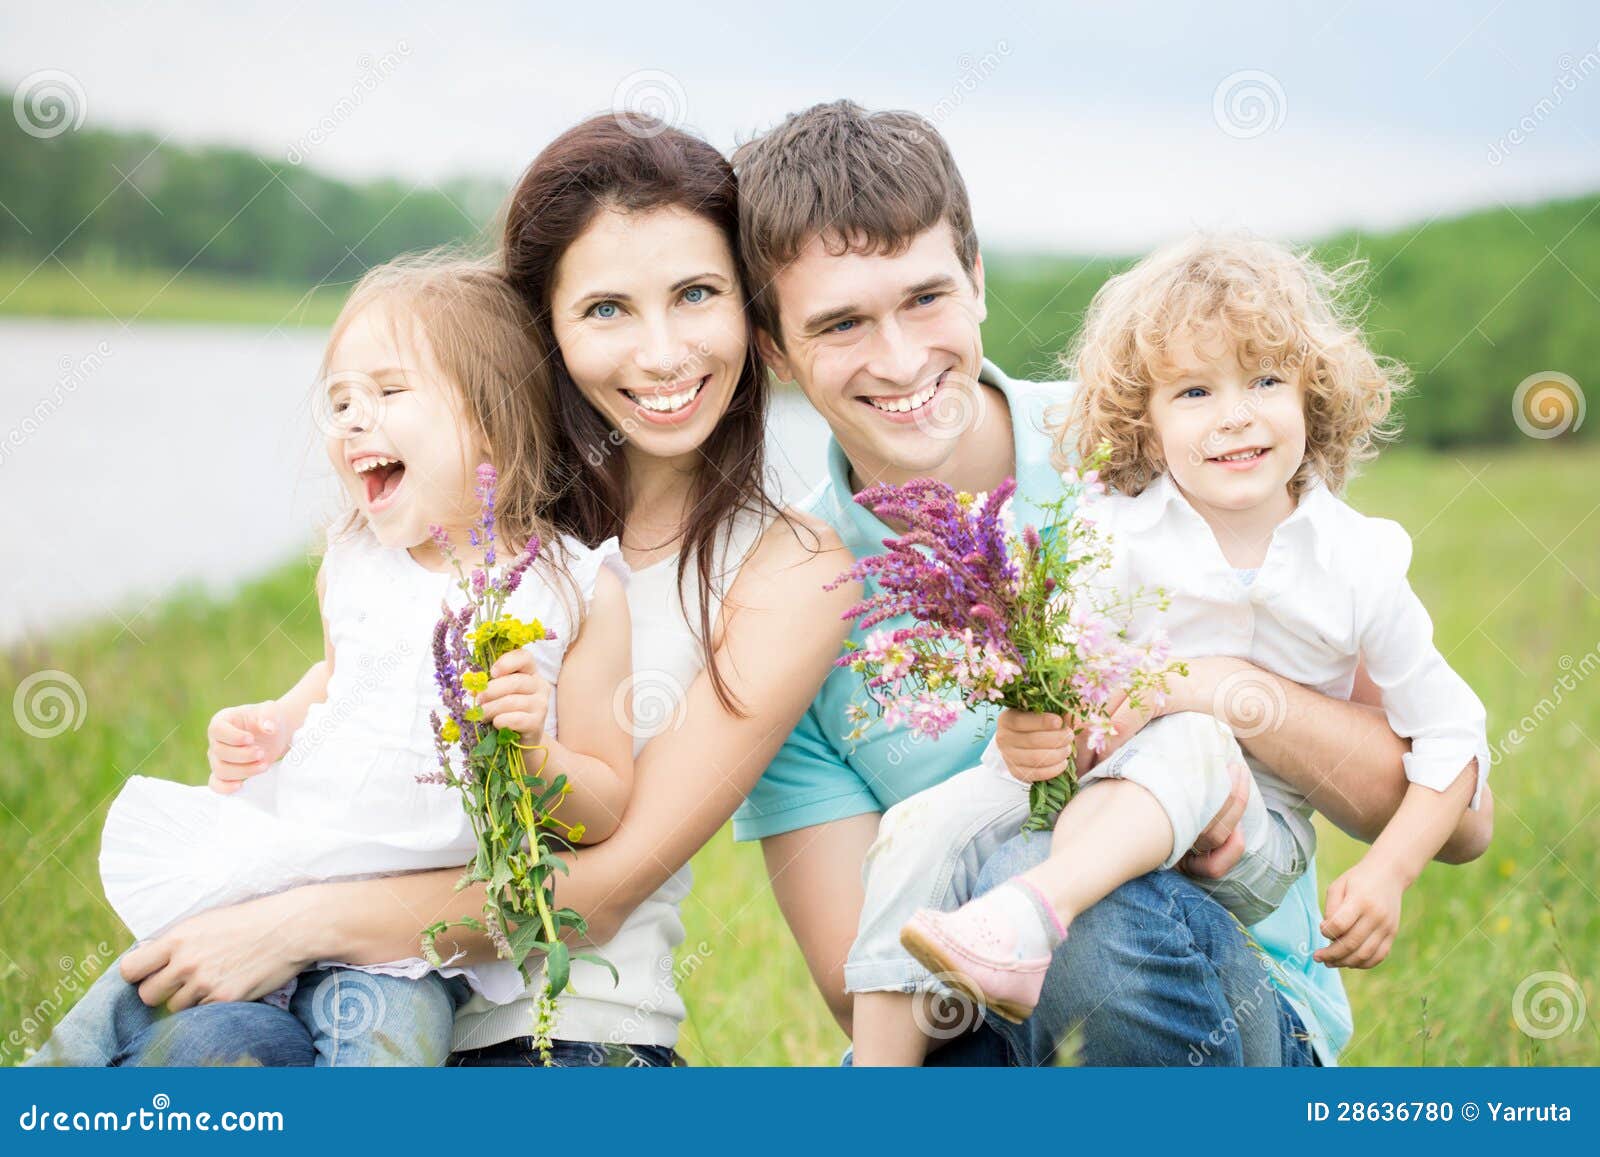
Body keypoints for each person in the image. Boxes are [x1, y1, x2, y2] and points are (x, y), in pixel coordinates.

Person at [727, 100, 1494, 1067]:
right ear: (775, 352)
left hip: (1225, 1003)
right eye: (840, 322)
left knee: (1067, 892)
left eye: (924, 297)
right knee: (1006, 865)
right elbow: (866, 983)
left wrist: (1220, 694)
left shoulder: (1161, 442)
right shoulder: (787, 603)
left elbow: (1466, 819)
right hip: (984, 1045)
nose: (899, 357)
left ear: (976, 280)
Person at [92, 114, 860, 1067]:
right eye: (607, 309)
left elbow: (597, 890)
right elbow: (354, 710)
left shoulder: (790, 567)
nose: (661, 354)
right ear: (538, 331)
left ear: (749, 309)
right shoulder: (462, 511)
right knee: (190, 1061)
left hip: (562, 1042)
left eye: (697, 294)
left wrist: (291, 923)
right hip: (322, 991)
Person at [28, 255, 634, 1066]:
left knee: (388, 1055)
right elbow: (341, 680)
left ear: (489, 416)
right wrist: (276, 723)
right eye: (339, 399)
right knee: (127, 999)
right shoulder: (353, 560)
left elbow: (606, 805)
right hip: (277, 874)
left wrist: (535, 754)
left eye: (387, 393)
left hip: (404, 936)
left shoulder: (572, 589)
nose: (352, 419)